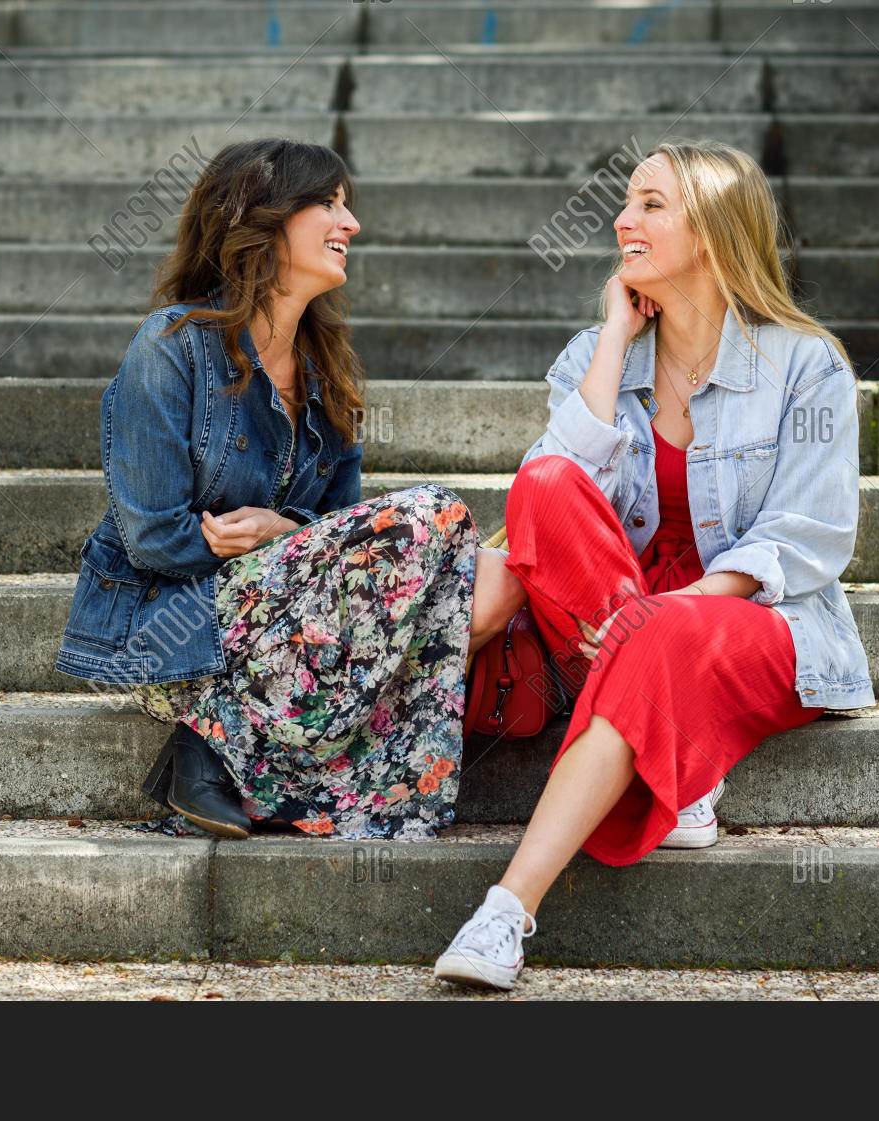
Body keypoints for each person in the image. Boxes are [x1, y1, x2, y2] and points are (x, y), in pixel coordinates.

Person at [433, 139, 876, 989]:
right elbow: (547, 502)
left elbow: (809, 530)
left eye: (649, 204)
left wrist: (681, 609)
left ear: (711, 230)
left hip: (752, 623)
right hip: (606, 620)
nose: (621, 219)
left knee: (666, 637)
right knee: (547, 480)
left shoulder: (804, 364)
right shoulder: (595, 357)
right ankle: (681, 751)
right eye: (627, 202)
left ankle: (506, 912)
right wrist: (612, 333)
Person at [54, 138, 527, 841]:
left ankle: (212, 749)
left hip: (289, 628)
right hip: (174, 627)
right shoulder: (170, 348)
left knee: (481, 568)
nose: (352, 224)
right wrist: (291, 554)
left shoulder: (327, 372)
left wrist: (285, 537)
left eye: (348, 206)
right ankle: (218, 740)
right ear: (264, 219)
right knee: (436, 516)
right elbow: (152, 538)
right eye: (329, 204)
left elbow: (349, 557)